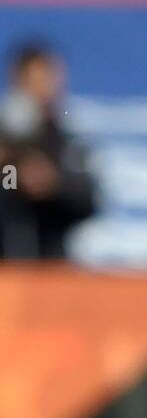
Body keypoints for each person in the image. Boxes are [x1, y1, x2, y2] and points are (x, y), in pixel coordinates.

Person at [0, 43, 97, 258]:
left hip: (50, 267)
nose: (40, 89)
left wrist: (53, 185)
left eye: (45, 80)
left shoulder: (66, 139)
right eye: (31, 81)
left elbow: (88, 202)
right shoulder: (4, 133)